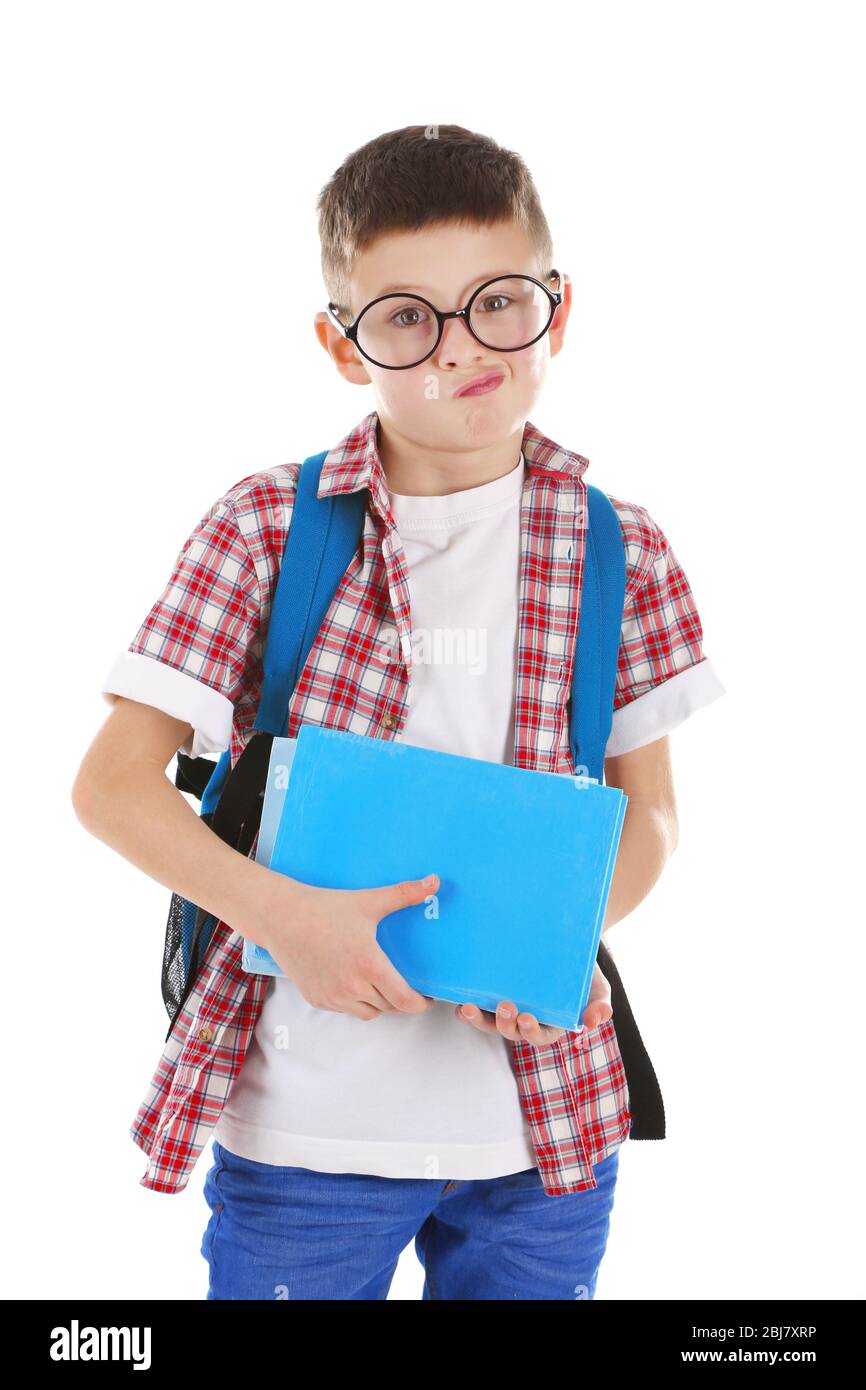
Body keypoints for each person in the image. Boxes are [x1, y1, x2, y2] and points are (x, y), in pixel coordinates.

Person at [72, 124, 726, 1300]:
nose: (460, 348)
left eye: (497, 303)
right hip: (309, 1134)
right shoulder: (266, 527)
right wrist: (291, 919)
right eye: (407, 318)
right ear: (342, 343)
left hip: (545, 1131)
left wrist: (563, 945)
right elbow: (110, 786)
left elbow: (652, 816)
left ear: (556, 313)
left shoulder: (620, 549)